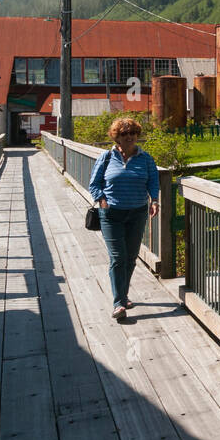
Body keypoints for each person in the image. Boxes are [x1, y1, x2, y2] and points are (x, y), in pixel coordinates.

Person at [88, 117, 160, 320]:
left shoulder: (146, 159)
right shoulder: (106, 157)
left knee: (130, 258)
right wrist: (102, 200)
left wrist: (154, 200)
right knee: (118, 257)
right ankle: (119, 303)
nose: (129, 137)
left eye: (133, 133)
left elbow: (153, 181)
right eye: (124, 134)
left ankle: (123, 294)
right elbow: (94, 184)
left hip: (137, 213)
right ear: (117, 137)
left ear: (137, 135)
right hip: (111, 215)